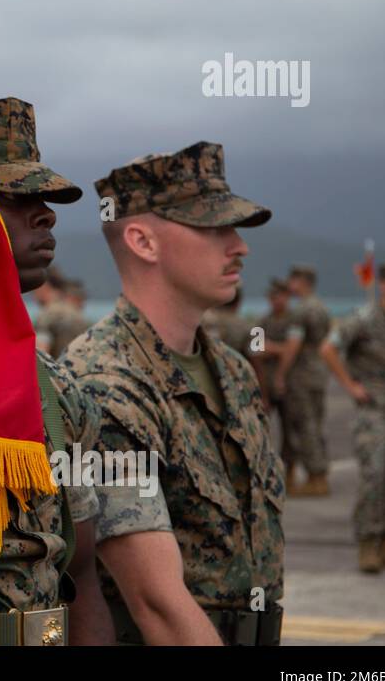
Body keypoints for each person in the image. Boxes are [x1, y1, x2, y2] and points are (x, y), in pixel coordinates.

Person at [62, 142, 284, 646]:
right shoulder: (106, 382)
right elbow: (157, 604)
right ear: (143, 241)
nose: (239, 246)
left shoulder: (231, 370)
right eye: (213, 227)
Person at [0, 97, 113, 646]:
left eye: (46, 199)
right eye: (13, 196)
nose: (46, 214)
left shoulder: (56, 388)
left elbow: (79, 575)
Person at [319, 259, 385, 573]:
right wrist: (351, 386)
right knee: (373, 476)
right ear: (384, 285)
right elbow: (328, 348)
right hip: (375, 412)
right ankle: (368, 544)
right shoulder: (363, 319)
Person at [276, 265, 332, 496]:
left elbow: (293, 345)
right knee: (316, 425)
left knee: (304, 426)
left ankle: (315, 477)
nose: (290, 285)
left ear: (302, 282)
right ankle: (319, 474)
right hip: (318, 373)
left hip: (302, 376)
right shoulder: (321, 308)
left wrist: (280, 373)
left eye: (293, 280)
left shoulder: (301, 311)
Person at [255, 278, 297, 485]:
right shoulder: (264, 321)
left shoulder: (294, 321)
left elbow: (294, 349)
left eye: (279, 296)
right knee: (261, 429)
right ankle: (264, 471)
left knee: (291, 430)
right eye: (272, 297)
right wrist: (282, 349)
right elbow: (255, 349)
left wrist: (271, 347)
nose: (275, 301)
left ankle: (289, 472)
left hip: (290, 385)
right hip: (266, 384)